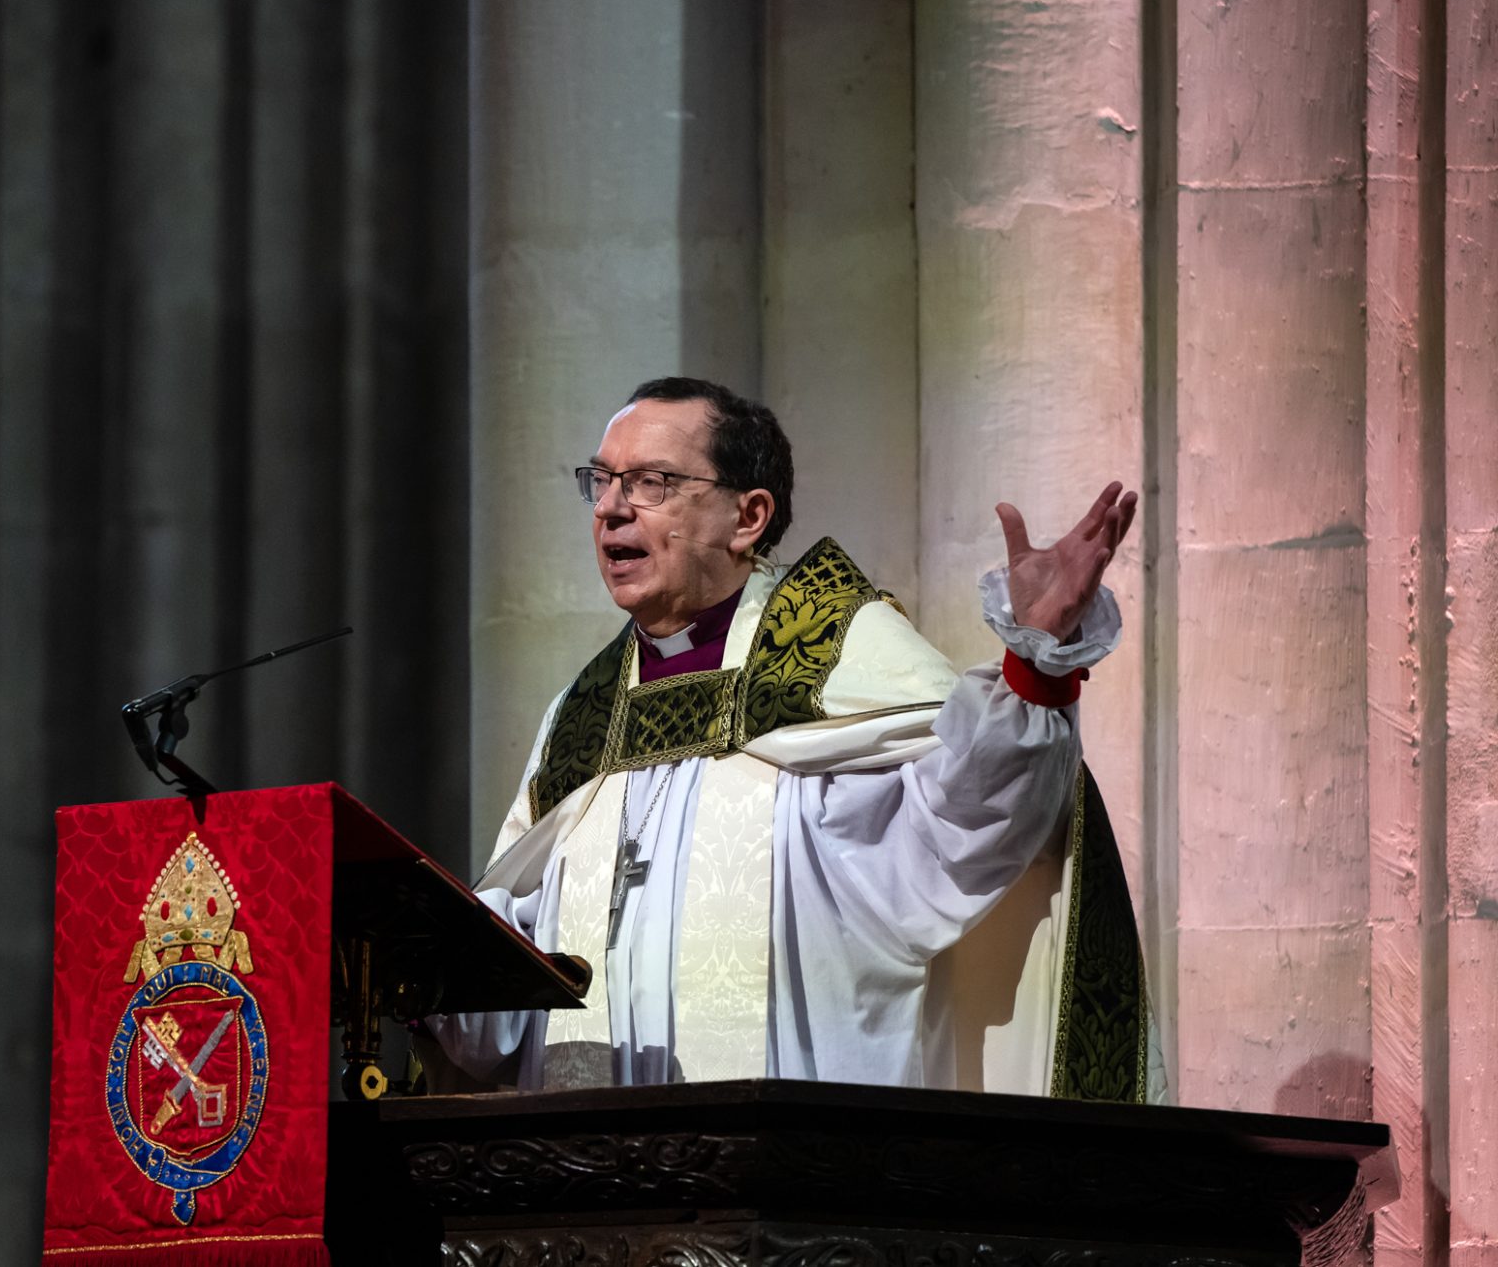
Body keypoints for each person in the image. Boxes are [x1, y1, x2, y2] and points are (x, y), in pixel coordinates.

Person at [427, 377, 1160, 1100]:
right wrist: (403, 951)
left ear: (748, 517)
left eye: (651, 482)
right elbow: (508, 996)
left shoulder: (836, 660)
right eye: (603, 481)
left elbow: (970, 824)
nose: (613, 509)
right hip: (586, 1187)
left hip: (790, 1185)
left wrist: (1032, 656)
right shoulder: (582, 720)